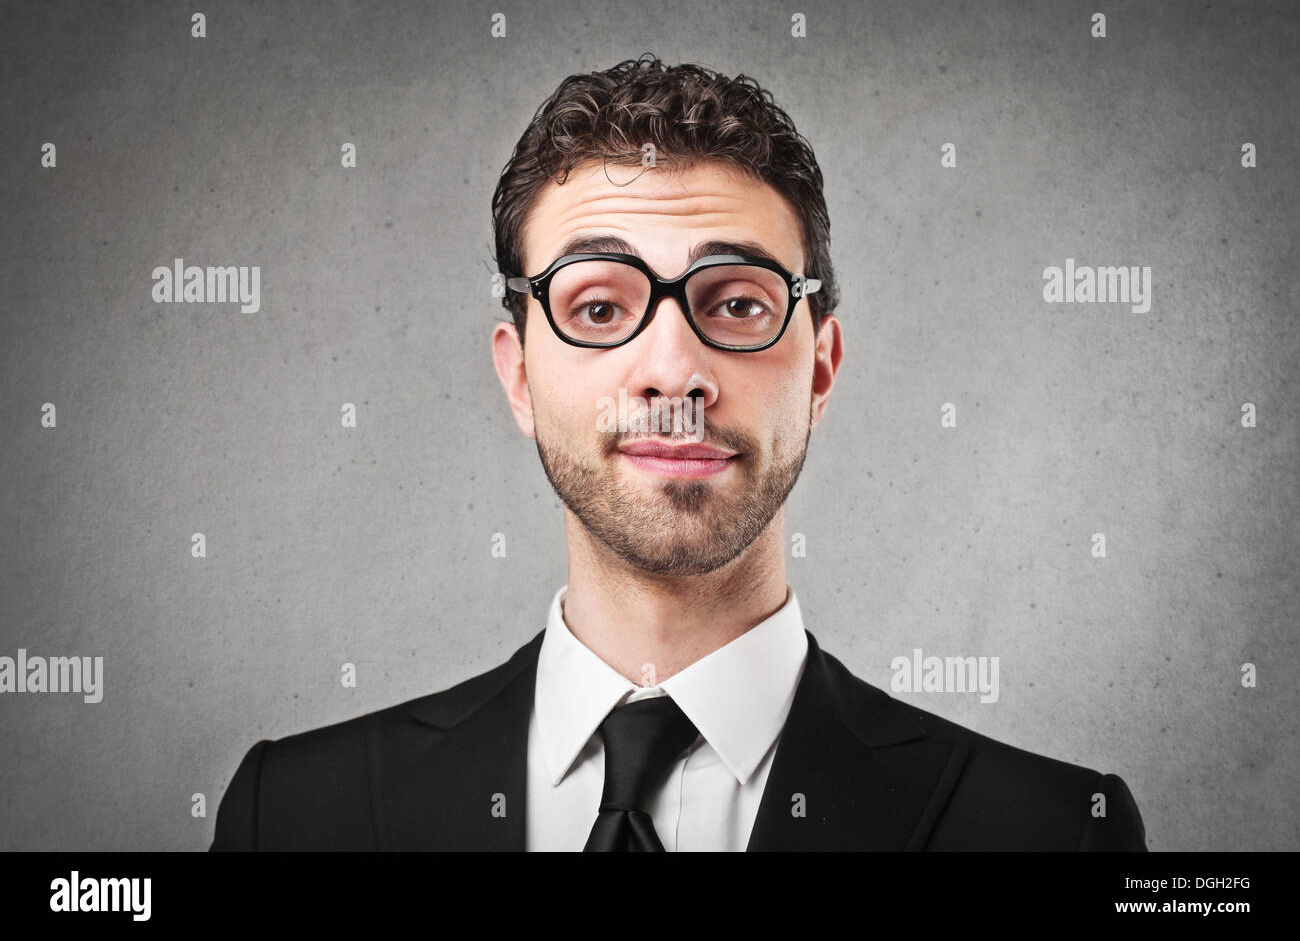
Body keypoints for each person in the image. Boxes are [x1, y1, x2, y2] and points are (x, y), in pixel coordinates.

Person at [210, 54, 1146, 851]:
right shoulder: (291, 816)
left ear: (819, 369)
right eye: (600, 308)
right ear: (521, 377)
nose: (673, 376)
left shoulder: (1055, 832)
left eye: (736, 302)